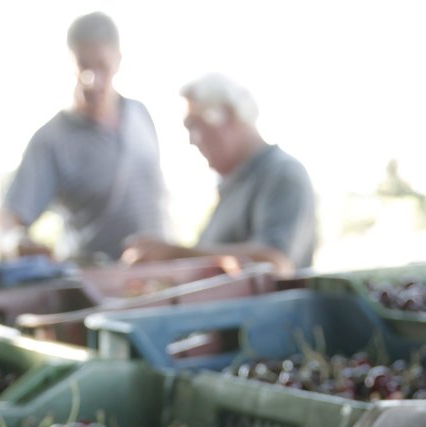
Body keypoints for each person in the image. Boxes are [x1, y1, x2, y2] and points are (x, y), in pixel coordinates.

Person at [0, 12, 166, 264]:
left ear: (118, 61)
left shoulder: (140, 114)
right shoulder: (52, 139)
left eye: (102, 66)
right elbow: (8, 221)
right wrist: (16, 243)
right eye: (84, 66)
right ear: (70, 62)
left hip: (157, 277)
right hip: (96, 282)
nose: (92, 81)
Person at [122, 73, 317, 276]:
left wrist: (173, 254)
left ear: (227, 114)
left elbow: (276, 263)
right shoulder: (234, 186)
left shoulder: (282, 174)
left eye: (194, 125)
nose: (192, 140)